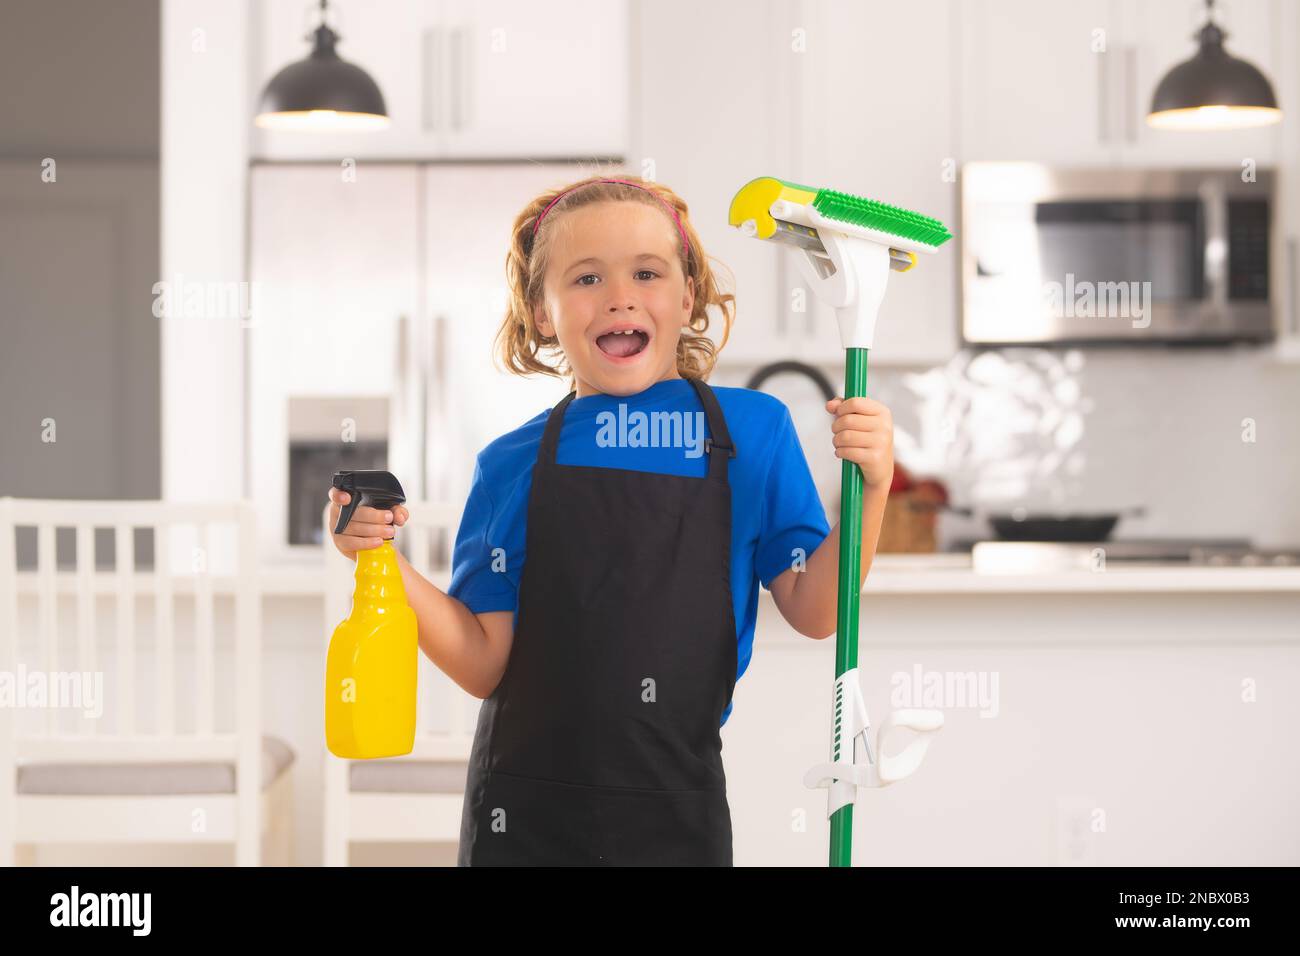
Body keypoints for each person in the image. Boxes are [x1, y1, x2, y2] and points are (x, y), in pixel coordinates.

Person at [328, 175, 895, 866]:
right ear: (543, 310)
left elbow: (815, 609)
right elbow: (482, 662)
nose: (620, 296)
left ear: (686, 297)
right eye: (587, 277)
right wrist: (380, 560)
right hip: (523, 815)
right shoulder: (511, 462)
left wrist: (874, 485)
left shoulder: (752, 434)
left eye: (647, 273)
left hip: (674, 812)